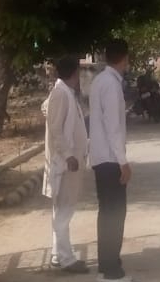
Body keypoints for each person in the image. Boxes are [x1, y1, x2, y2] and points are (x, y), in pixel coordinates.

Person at [90, 39, 133, 282]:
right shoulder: (111, 85)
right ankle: (110, 271)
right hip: (109, 159)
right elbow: (113, 126)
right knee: (114, 212)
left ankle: (108, 263)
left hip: (102, 157)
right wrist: (123, 161)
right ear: (124, 58)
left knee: (107, 212)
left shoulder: (100, 81)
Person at [43, 55, 90, 274]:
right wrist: (69, 155)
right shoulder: (60, 94)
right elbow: (56, 129)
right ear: (74, 73)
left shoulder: (65, 93)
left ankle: (57, 254)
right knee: (64, 212)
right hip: (66, 163)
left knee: (62, 211)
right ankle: (66, 259)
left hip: (70, 161)